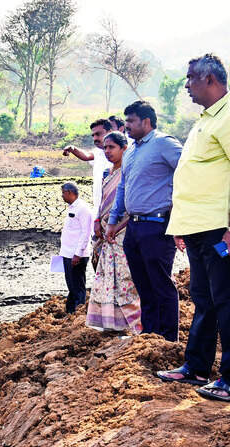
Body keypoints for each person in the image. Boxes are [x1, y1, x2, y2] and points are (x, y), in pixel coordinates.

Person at [156, 54, 230, 402]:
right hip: (200, 228)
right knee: (203, 297)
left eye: (190, 79)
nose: (185, 85)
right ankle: (196, 367)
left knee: (227, 299)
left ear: (210, 80)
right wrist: (183, 226)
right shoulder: (205, 120)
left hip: (220, 231)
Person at [104, 101, 184, 340]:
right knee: (144, 286)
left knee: (160, 284)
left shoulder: (164, 144)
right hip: (135, 226)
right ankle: (149, 335)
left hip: (158, 224)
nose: (126, 125)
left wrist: (180, 215)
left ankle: (169, 339)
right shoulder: (132, 152)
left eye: (130, 121)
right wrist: (113, 221)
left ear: (146, 122)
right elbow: (123, 188)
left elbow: (188, 174)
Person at [87, 132, 142, 333]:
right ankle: (110, 322)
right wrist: (97, 221)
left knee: (124, 278)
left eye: (112, 147)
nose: (107, 151)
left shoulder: (129, 172)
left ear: (124, 148)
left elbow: (130, 204)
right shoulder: (108, 173)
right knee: (107, 278)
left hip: (123, 232)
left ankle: (131, 324)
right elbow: (103, 202)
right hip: (105, 232)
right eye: (105, 147)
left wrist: (115, 227)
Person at [62, 119, 113, 216]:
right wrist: (73, 149)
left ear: (110, 132)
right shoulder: (98, 152)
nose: (95, 138)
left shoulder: (121, 154)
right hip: (99, 208)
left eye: (98, 134)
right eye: (93, 135)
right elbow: (86, 156)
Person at [59, 181, 94, 314]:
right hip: (68, 253)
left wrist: (78, 254)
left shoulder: (83, 209)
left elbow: (86, 233)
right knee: (71, 285)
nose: (62, 196)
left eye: (63, 193)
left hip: (76, 255)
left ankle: (79, 313)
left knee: (78, 286)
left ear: (70, 193)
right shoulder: (73, 207)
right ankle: (70, 312)